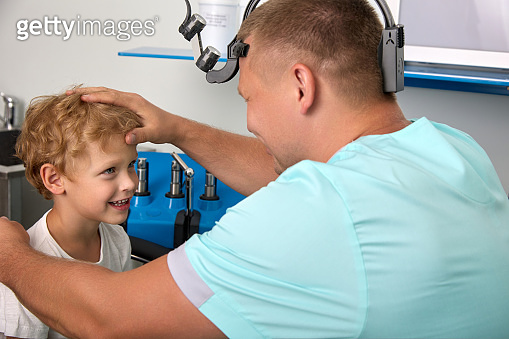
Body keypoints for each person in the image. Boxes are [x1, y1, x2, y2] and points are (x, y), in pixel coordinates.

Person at [1, 0, 509, 337]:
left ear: (300, 85)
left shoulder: (321, 209)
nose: (248, 120)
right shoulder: (453, 150)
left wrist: (9, 256)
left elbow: (107, 319)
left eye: (248, 96)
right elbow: (305, 179)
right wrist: (175, 128)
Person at [0, 89, 141, 339]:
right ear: (55, 179)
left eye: (130, 165)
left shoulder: (117, 240)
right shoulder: (28, 264)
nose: (130, 183)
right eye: (110, 170)